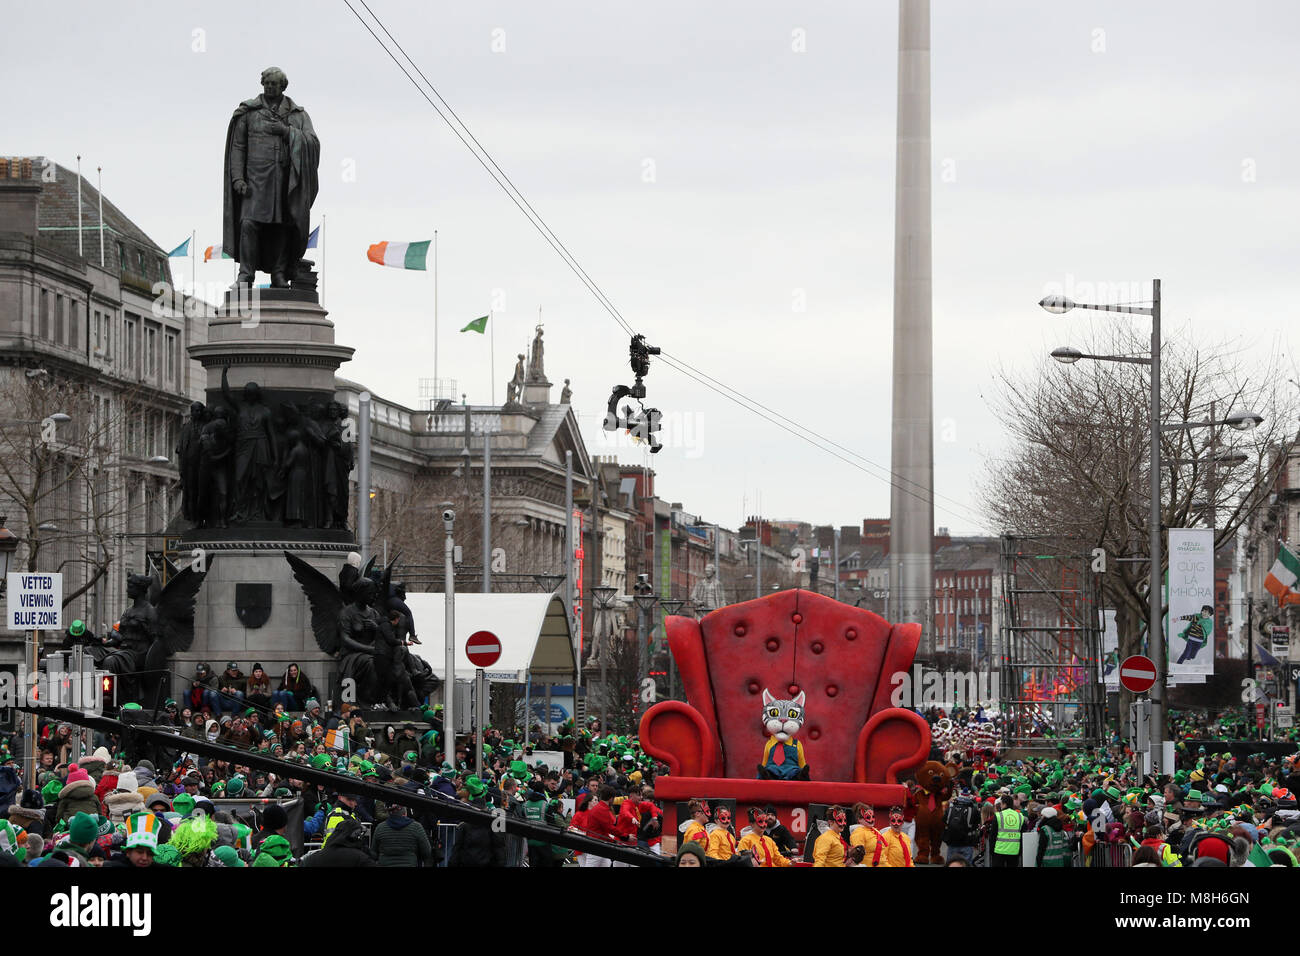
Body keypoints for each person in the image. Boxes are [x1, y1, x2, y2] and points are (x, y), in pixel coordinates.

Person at [370, 802, 432, 867]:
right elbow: (427, 852)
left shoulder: (380, 828)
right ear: (405, 812)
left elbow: (373, 853)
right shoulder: (416, 827)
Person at [942, 787, 981, 864]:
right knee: (965, 863)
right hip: (967, 842)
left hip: (952, 841)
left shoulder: (950, 808)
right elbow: (977, 823)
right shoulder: (973, 809)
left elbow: (944, 820)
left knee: (951, 863)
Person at [990, 794, 1024, 868]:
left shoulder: (998, 815)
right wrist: (1020, 850)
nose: (1000, 806)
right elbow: (1023, 835)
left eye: (1001, 804)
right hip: (1014, 850)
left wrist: (991, 850)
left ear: (1004, 804)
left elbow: (993, 835)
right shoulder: (1020, 816)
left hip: (999, 850)